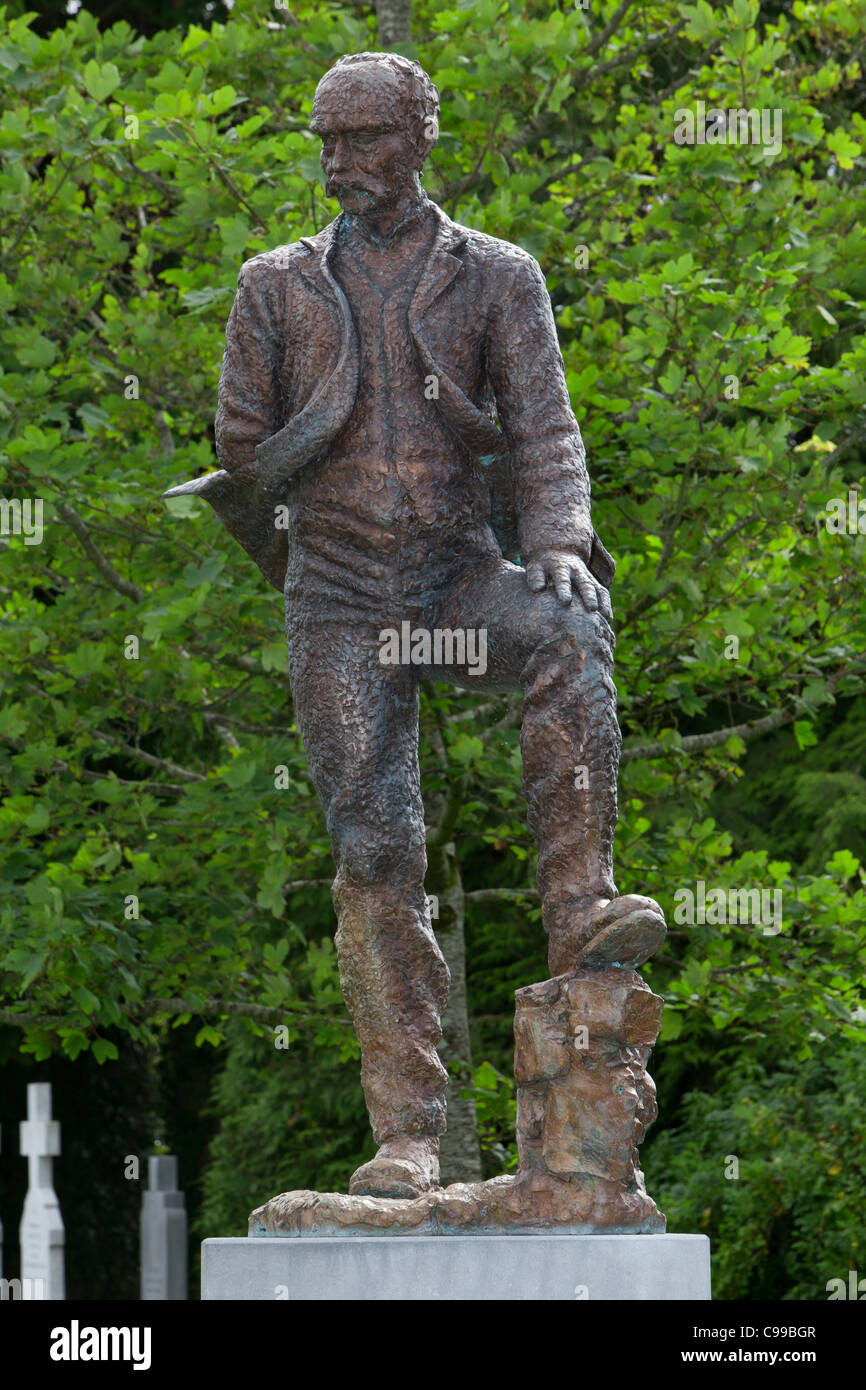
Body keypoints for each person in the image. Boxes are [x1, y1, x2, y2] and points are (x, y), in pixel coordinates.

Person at [167, 52, 666, 1200]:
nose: (338, 164)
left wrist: (552, 542)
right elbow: (239, 439)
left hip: (455, 580)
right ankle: (407, 1132)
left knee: (567, 630)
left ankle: (581, 908)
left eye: (362, 140)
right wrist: (312, 420)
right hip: (338, 592)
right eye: (324, 142)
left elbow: (548, 430)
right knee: (376, 848)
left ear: (420, 134)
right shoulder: (274, 285)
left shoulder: (497, 276)